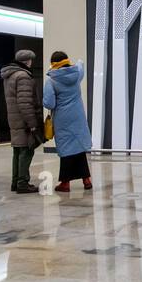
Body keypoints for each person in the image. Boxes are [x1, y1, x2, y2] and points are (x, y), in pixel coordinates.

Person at [43, 51, 93, 192]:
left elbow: (49, 103)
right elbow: (80, 65)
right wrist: (79, 61)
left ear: (52, 64)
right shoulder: (76, 74)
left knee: (66, 151)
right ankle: (86, 180)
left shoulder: (51, 80)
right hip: (78, 116)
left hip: (63, 119)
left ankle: (65, 183)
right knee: (78, 148)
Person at [0, 48, 42, 193]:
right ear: (28, 61)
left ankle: (15, 182)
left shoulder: (10, 76)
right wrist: (32, 123)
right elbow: (25, 103)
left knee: (17, 151)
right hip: (23, 121)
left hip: (14, 118)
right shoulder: (23, 76)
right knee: (26, 150)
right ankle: (23, 183)